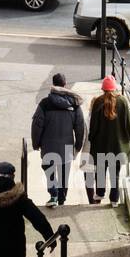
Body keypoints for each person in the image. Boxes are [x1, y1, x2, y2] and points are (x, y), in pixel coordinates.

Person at [31, 72, 85, 206]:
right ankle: (61, 199)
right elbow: (79, 126)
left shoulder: (44, 104)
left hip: (48, 146)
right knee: (64, 175)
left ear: (53, 85)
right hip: (66, 146)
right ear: (65, 85)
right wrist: (78, 145)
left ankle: (53, 193)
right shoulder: (74, 104)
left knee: (48, 169)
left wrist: (35, 143)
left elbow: (37, 126)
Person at [86, 75, 130, 205]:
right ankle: (114, 200)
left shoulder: (97, 102)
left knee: (101, 170)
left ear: (103, 89)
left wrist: (91, 138)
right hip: (117, 146)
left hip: (101, 144)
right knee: (115, 173)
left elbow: (93, 126)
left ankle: (100, 193)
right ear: (114, 88)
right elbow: (128, 124)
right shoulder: (123, 102)